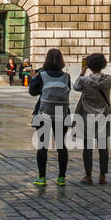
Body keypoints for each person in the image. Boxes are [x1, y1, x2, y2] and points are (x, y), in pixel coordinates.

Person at [28, 48, 71, 187]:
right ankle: (61, 177)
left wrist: (34, 78)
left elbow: (32, 92)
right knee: (61, 145)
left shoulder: (42, 75)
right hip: (61, 113)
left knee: (42, 146)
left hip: (43, 113)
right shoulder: (66, 76)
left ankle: (42, 177)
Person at [73, 53, 111, 185]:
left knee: (87, 147)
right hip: (103, 115)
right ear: (104, 65)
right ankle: (103, 176)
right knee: (103, 147)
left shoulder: (84, 81)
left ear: (89, 66)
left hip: (87, 115)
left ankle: (88, 176)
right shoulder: (108, 80)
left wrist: (82, 72)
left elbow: (76, 87)